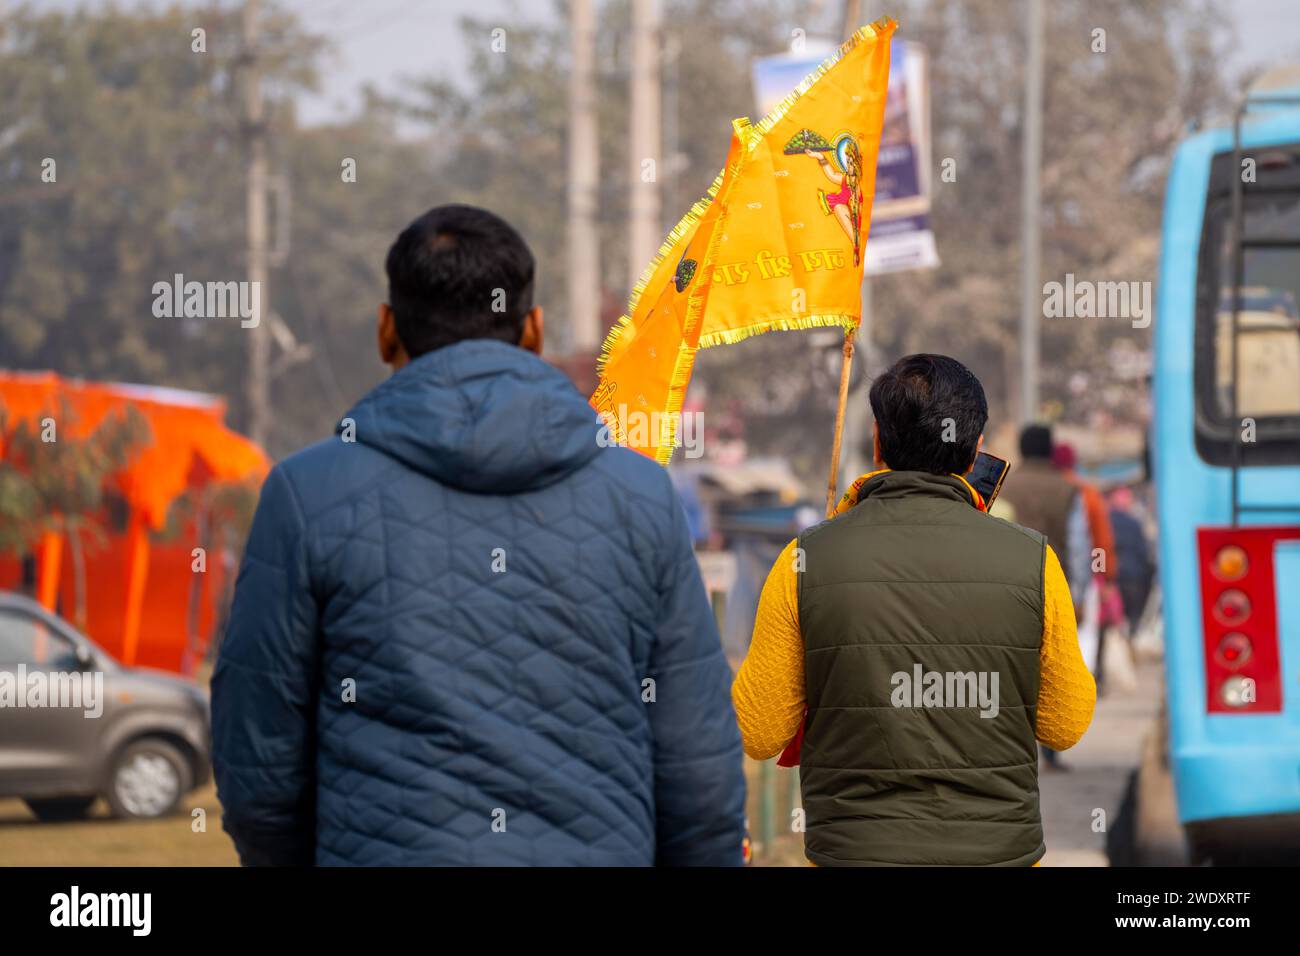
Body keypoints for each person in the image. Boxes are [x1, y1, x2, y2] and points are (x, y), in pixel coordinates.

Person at [211, 204, 746, 866]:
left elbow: (259, 766)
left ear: (385, 331)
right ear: (535, 330)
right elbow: (701, 780)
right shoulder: (641, 498)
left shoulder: (307, 495)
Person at [732, 355, 1096, 866]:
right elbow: (1066, 724)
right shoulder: (1035, 561)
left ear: (878, 443)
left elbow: (758, 730)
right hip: (997, 855)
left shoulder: (803, 561)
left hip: (853, 854)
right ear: (975, 453)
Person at [1000, 424, 1091, 769]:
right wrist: (1079, 595)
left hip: (1005, 590)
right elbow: (1080, 547)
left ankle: (1015, 743)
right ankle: (1051, 750)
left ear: (1022, 450)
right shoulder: (1068, 491)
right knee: (1051, 669)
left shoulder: (1001, 486)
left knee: (1013, 669)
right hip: (1055, 590)